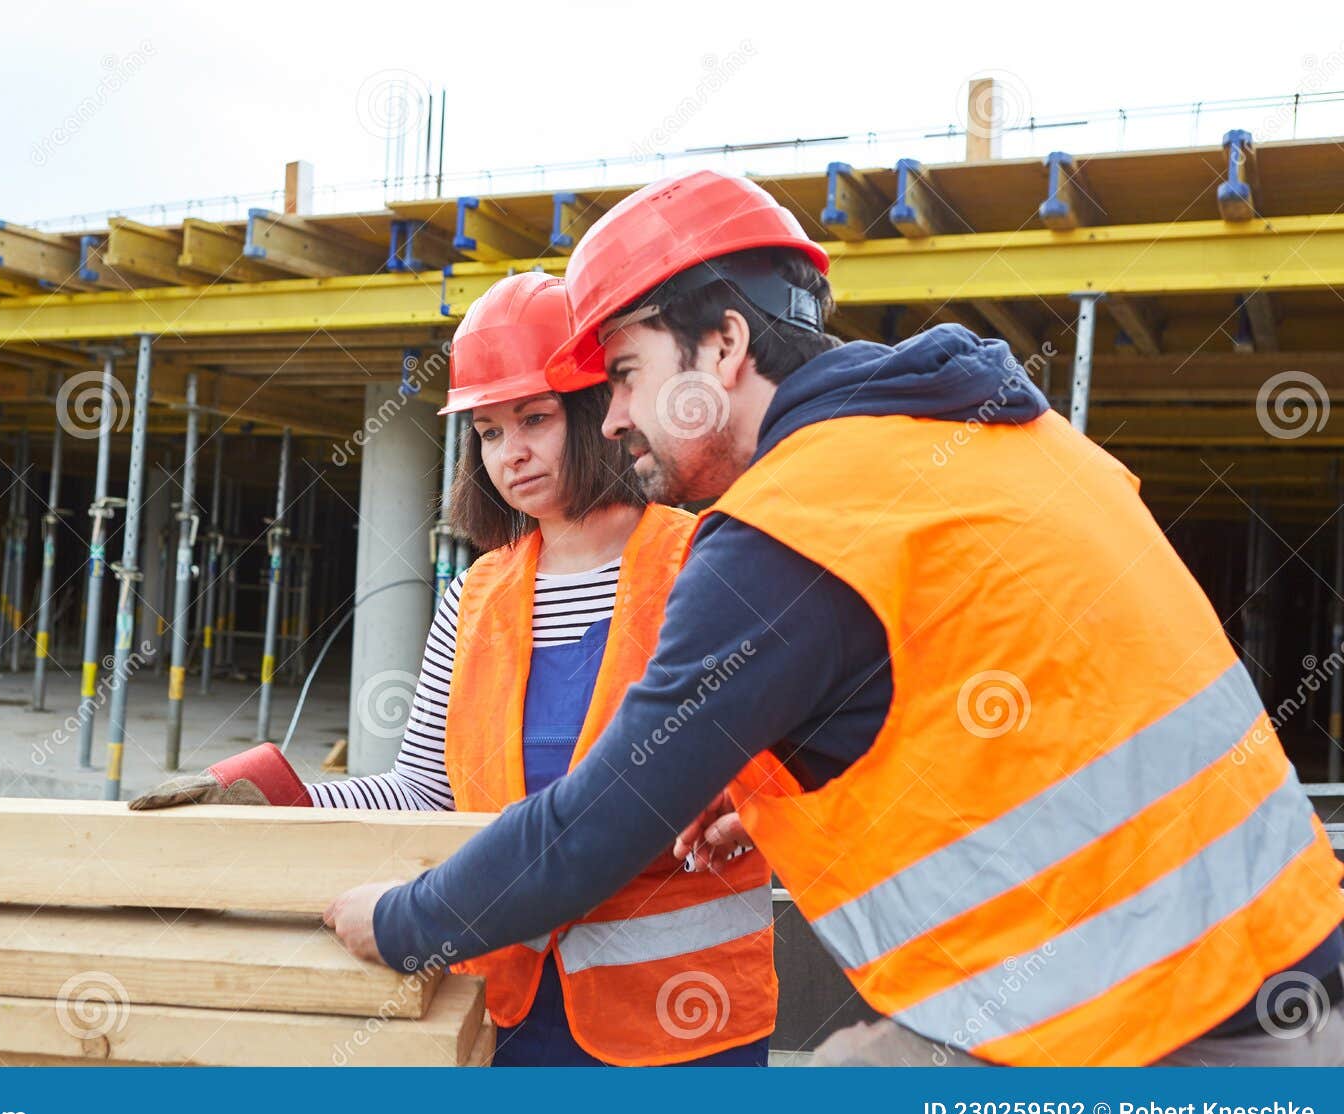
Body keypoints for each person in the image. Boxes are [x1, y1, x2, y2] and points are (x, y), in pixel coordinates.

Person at [325, 170, 1344, 1067]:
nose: (618, 413)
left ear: (723, 344)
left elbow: (593, 827)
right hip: (1294, 969)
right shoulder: (997, 435)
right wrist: (766, 785)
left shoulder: (784, 529)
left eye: (627, 373)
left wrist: (407, 919)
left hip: (1128, 1031)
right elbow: (1013, 706)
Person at [132, 271, 779, 1067]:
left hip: (683, 1017)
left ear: (595, 410)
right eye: (489, 431)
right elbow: (424, 790)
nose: (513, 453)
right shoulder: (476, 596)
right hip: (512, 1002)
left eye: (534, 418)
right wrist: (284, 797)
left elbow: (790, 759)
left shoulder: (702, 559)